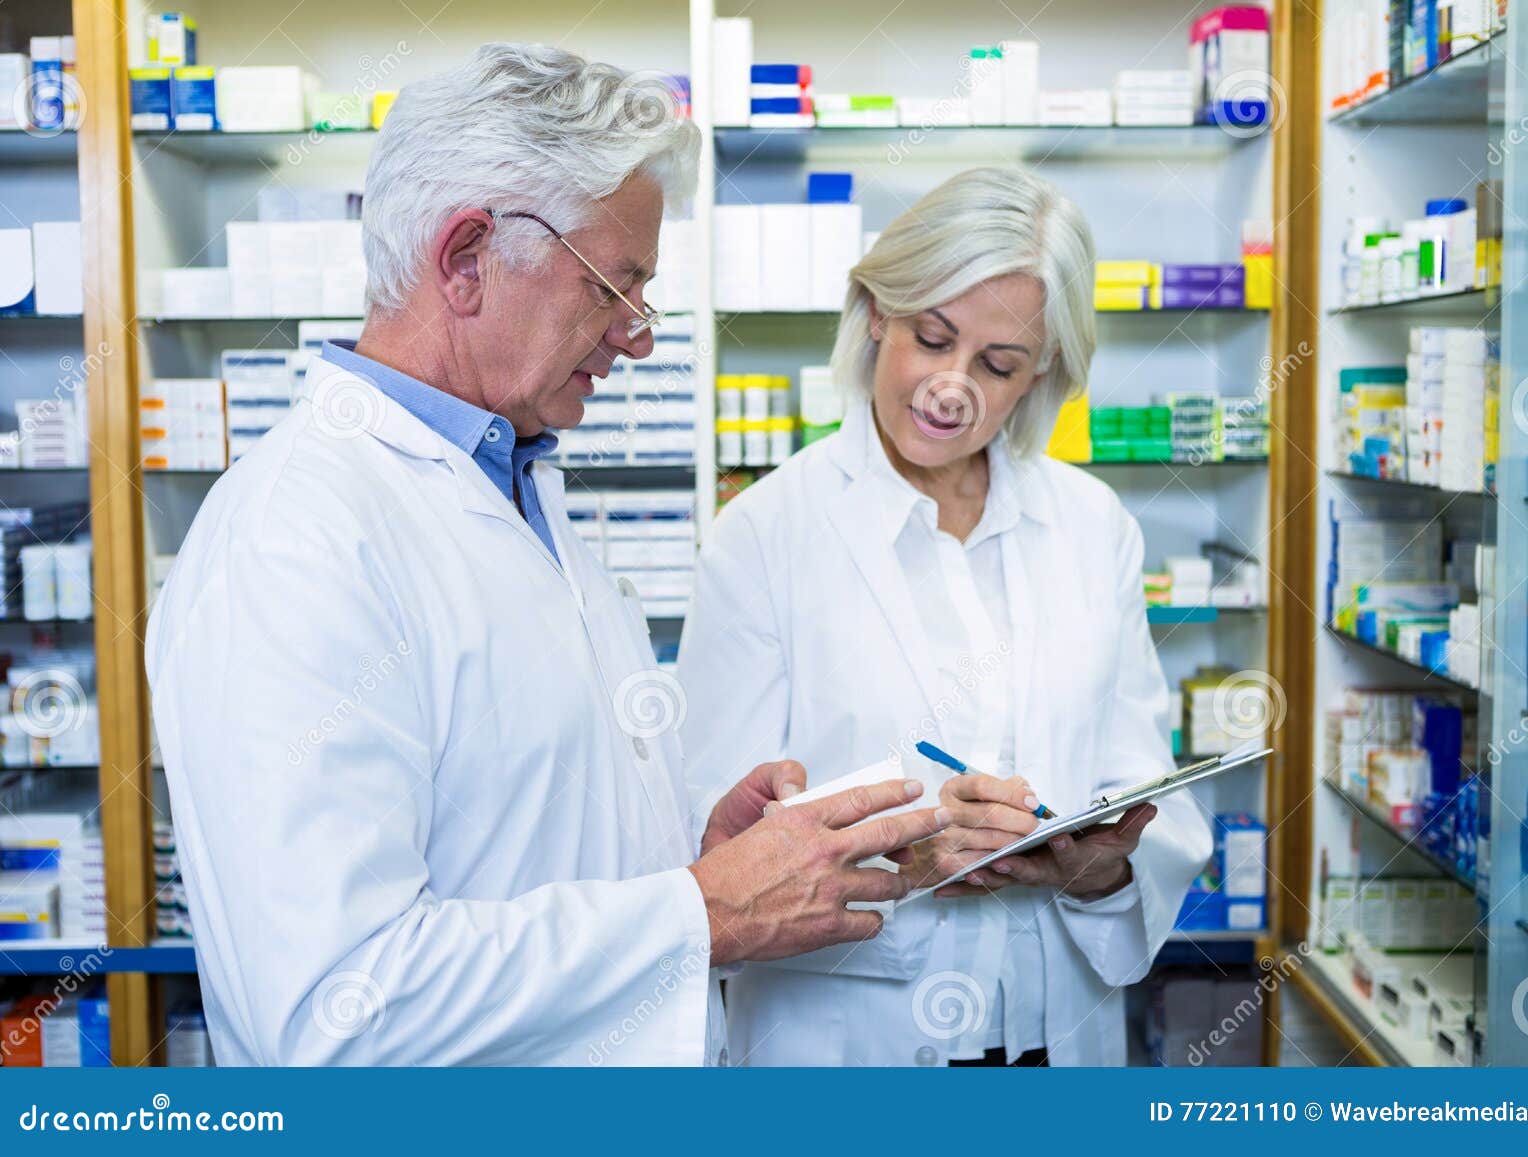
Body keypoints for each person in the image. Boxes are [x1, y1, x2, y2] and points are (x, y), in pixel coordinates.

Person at [144, 44, 946, 1067]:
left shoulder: (518, 486)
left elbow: (516, 849)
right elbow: (334, 1011)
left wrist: (696, 858)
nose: (638, 335)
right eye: (616, 286)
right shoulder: (292, 536)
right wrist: (702, 910)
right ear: (468, 254)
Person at [678, 167, 1215, 1067]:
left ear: (1041, 373)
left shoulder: (1092, 527)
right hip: (849, 1048)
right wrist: (918, 854)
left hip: (1055, 1034)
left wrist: (1094, 866)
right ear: (876, 313)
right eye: (932, 338)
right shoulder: (766, 534)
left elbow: (1142, 785)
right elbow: (716, 838)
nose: (950, 387)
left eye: (998, 364)